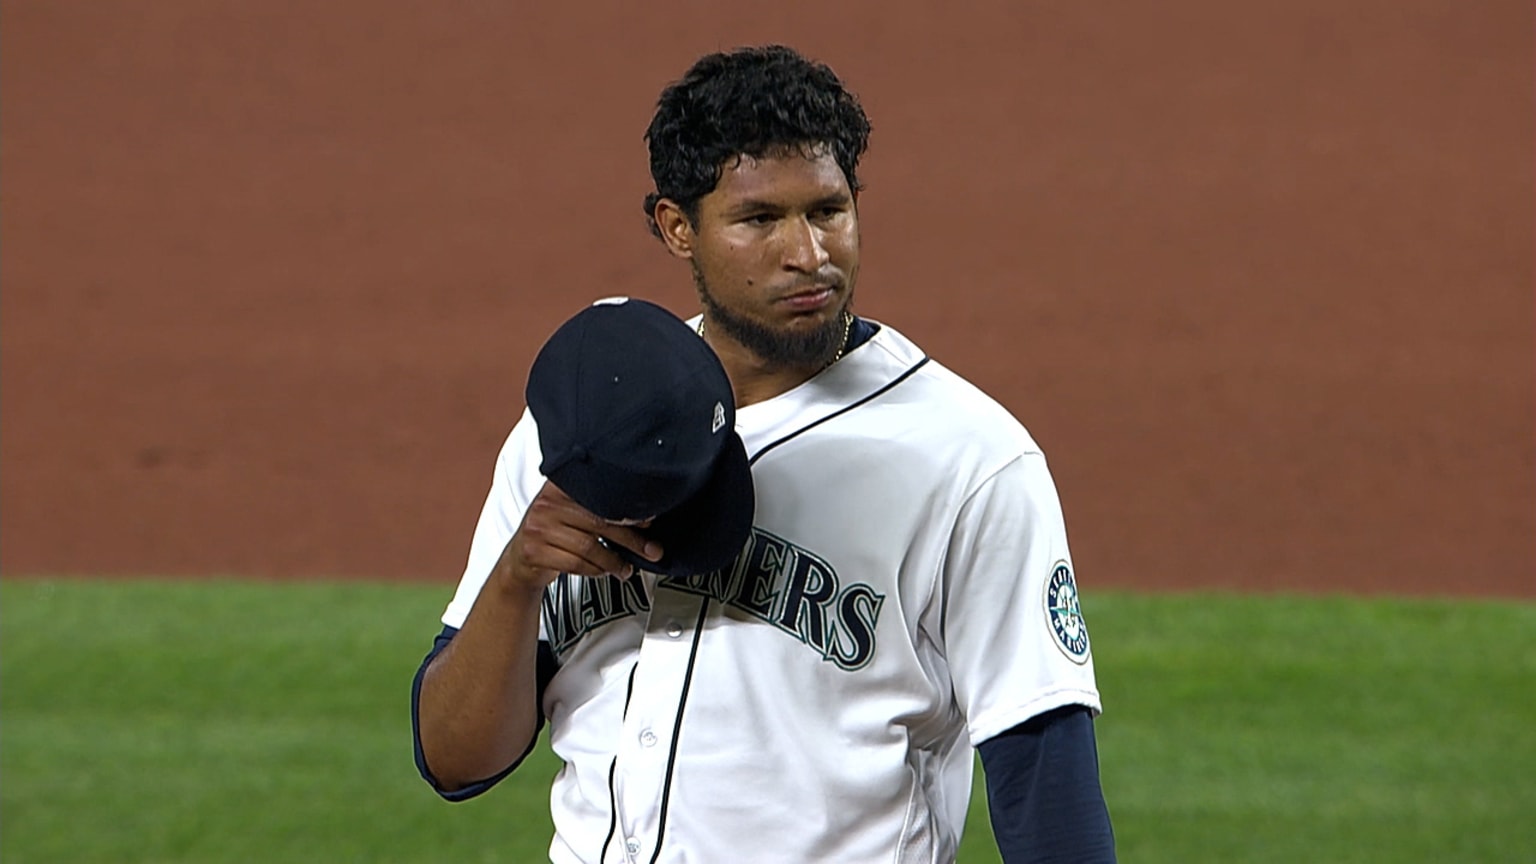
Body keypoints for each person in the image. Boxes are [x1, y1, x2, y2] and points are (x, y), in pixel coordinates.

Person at [412, 44, 1116, 863]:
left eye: (828, 210)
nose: (810, 255)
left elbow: (1045, 781)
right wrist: (516, 578)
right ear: (677, 227)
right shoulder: (584, 426)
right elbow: (455, 761)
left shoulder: (967, 458)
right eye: (759, 220)